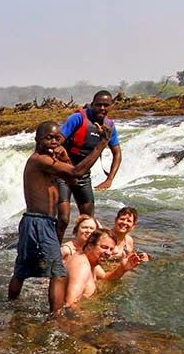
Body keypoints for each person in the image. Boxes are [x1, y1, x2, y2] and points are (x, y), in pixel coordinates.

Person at [8, 120, 113, 314]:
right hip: (39, 223)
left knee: (22, 271)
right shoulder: (40, 160)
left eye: (58, 138)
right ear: (37, 139)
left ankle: (10, 306)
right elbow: (77, 172)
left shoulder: (49, 161)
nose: (54, 142)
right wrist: (101, 144)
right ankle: (56, 316)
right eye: (48, 138)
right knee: (58, 272)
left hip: (36, 222)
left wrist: (65, 156)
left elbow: (72, 179)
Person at [55, 90, 123, 241]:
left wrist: (109, 179)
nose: (102, 108)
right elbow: (57, 141)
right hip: (64, 174)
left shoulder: (109, 127)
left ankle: (86, 253)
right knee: (63, 219)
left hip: (83, 176)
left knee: (88, 220)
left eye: (106, 105)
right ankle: (55, 254)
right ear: (92, 105)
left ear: (111, 106)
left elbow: (117, 153)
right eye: (99, 105)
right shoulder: (78, 118)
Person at [64, 229, 142, 308]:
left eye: (111, 249)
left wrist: (122, 269)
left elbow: (106, 277)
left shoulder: (91, 262)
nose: (108, 253)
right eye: (104, 247)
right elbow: (70, 303)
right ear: (90, 246)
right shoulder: (82, 266)